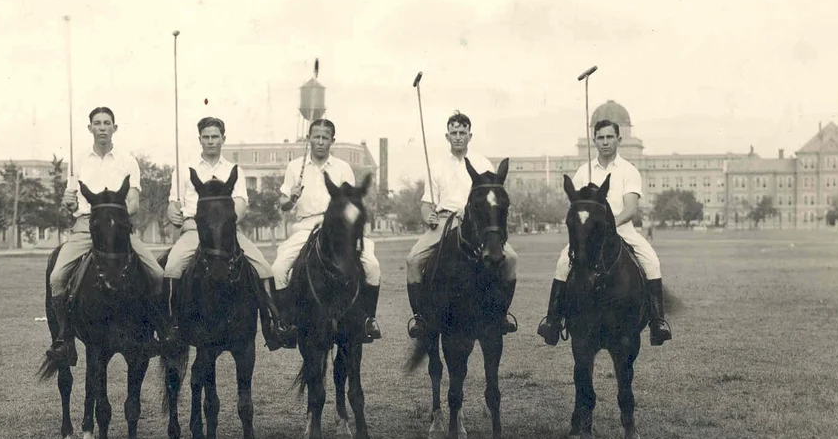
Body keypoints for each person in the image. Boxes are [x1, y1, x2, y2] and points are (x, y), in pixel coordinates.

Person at [163, 117, 297, 350]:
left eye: (215, 137)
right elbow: (173, 203)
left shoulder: (234, 170)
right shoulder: (184, 169)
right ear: (200, 139)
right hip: (194, 230)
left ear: (223, 138)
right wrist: (173, 212)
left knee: (264, 268)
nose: (210, 141)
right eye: (206, 137)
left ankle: (274, 325)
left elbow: (241, 203)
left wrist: (225, 222)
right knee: (172, 266)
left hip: (227, 233)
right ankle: (171, 326)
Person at [537, 118, 673, 347]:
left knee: (651, 261)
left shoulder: (629, 171)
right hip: (588, 237)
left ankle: (657, 323)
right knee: (562, 263)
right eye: (600, 137)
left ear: (619, 139)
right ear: (594, 140)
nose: (605, 142)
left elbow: (630, 208)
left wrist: (609, 226)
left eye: (610, 137)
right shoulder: (584, 171)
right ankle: (552, 321)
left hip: (622, 230)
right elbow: (576, 206)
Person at [47, 106, 166, 363]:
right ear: (90, 128)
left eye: (107, 122)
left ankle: (156, 334)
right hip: (84, 228)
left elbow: (133, 201)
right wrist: (67, 201)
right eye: (97, 123)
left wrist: (117, 215)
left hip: (118, 230)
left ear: (115, 127)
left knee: (157, 273)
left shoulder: (127, 161)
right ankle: (64, 338)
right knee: (57, 277)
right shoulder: (78, 160)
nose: (102, 127)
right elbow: (71, 200)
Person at [405, 112, 519, 339]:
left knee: (512, 258)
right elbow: (427, 204)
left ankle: (502, 314)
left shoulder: (483, 162)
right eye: (454, 133)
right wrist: (429, 216)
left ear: (470, 135)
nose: (458, 137)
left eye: (462, 133)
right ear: (447, 136)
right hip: (445, 220)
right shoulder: (436, 166)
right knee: (413, 260)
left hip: (476, 223)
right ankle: (419, 317)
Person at [271, 118, 382, 343]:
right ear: (309, 138)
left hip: (339, 229)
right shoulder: (295, 167)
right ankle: (286, 322)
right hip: (305, 226)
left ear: (332, 140)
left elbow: (351, 202)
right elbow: (283, 204)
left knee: (372, 265)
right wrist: (290, 197)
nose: (320, 141)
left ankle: (367, 320)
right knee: (278, 268)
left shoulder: (343, 168)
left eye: (325, 137)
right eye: (316, 137)